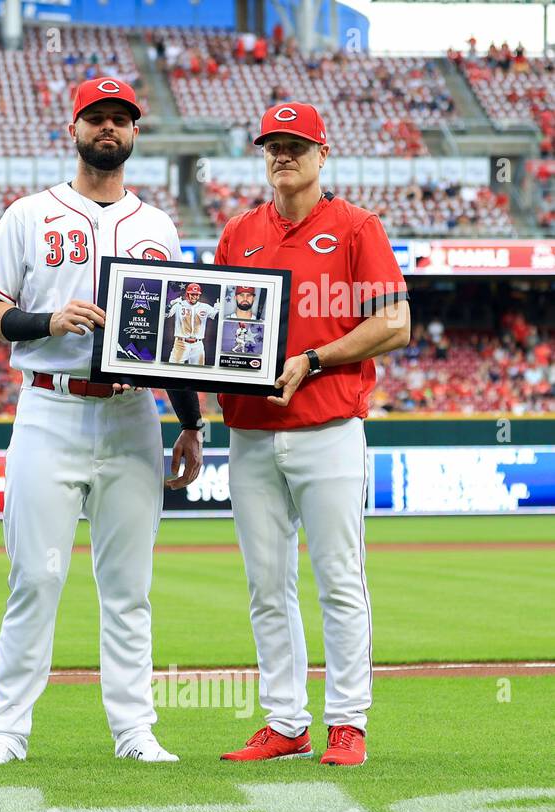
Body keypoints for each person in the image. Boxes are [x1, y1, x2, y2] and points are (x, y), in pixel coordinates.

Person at [0, 77, 204, 766]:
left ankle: (135, 731)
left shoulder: (157, 226)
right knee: (35, 578)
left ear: (135, 134)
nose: (109, 129)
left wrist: (188, 421)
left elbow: (175, 337)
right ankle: (7, 731)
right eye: (96, 118)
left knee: (129, 586)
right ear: (73, 128)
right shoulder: (30, 214)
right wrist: (47, 319)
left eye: (120, 120)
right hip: (50, 403)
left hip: (134, 411)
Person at [214, 103, 410, 767]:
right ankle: (285, 722)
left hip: (328, 424)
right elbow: (216, 328)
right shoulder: (238, 232)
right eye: (273, 145)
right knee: (267, 586)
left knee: (339, 579)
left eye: (296, 145)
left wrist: (316, 358)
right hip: (250, 432)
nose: (283, 156)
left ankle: (347, 722)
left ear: (322, 155)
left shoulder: (356, 227)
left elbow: (396, 322)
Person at [166, 282, 218, 364]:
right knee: (172, 369)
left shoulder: (205, 307)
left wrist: (219, 309)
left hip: (198, 344)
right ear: (187, 294)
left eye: (197, 294)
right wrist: (170, 305)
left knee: (199, 372)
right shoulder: (179, 305)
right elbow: (165, 315)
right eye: (192, 294)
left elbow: (216, 316)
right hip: (181, 343)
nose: (194, 296)